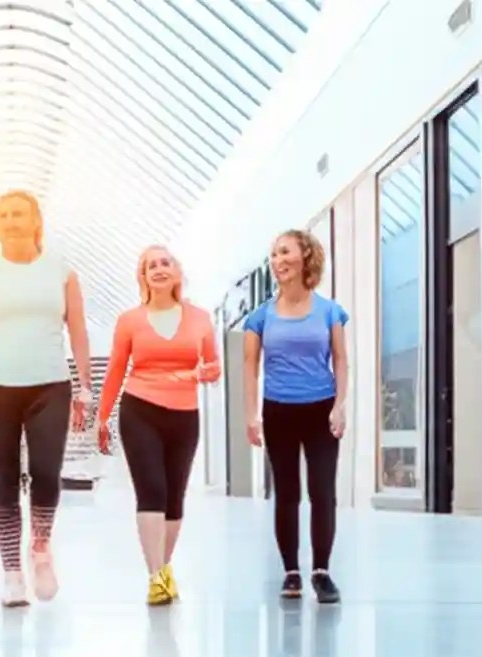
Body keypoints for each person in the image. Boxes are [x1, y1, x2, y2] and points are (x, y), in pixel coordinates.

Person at [0, 189, 92, 608]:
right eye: (4, 215)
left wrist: (85, 387)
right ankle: (12, 572)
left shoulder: (62, 272)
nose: (11, 221)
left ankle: (41, 547)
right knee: (4, 477)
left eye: (19, 214)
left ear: (36, 222)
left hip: (50, 383)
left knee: (48, 471)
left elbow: (79, 334)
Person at [97, 245, 220, 605]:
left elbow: (213, 365)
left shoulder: (199, 318)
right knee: (151, 490)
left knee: (174, 496)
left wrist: (204, 372)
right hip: (140, 409)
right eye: (151, 265)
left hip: (184, 414)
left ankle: (164, 568)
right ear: (143, 276)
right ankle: (154, 576)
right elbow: (117, 368)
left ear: (177, 272)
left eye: (165, 263)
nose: (159, 269)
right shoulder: (129, 321)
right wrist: (102, 416)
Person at [243, 229, 349, 604]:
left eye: (284, 252)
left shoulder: (330, 311)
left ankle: (321, 572)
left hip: (320, 408)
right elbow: (249, 366)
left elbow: (340, 359)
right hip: (279, 410)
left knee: (323, 493)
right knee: (286, 494)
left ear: (305, 255)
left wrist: (339, 405)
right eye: (273, 255)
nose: (277, 260)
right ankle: (291, 572)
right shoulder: (259, 317)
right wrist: (251, 415)